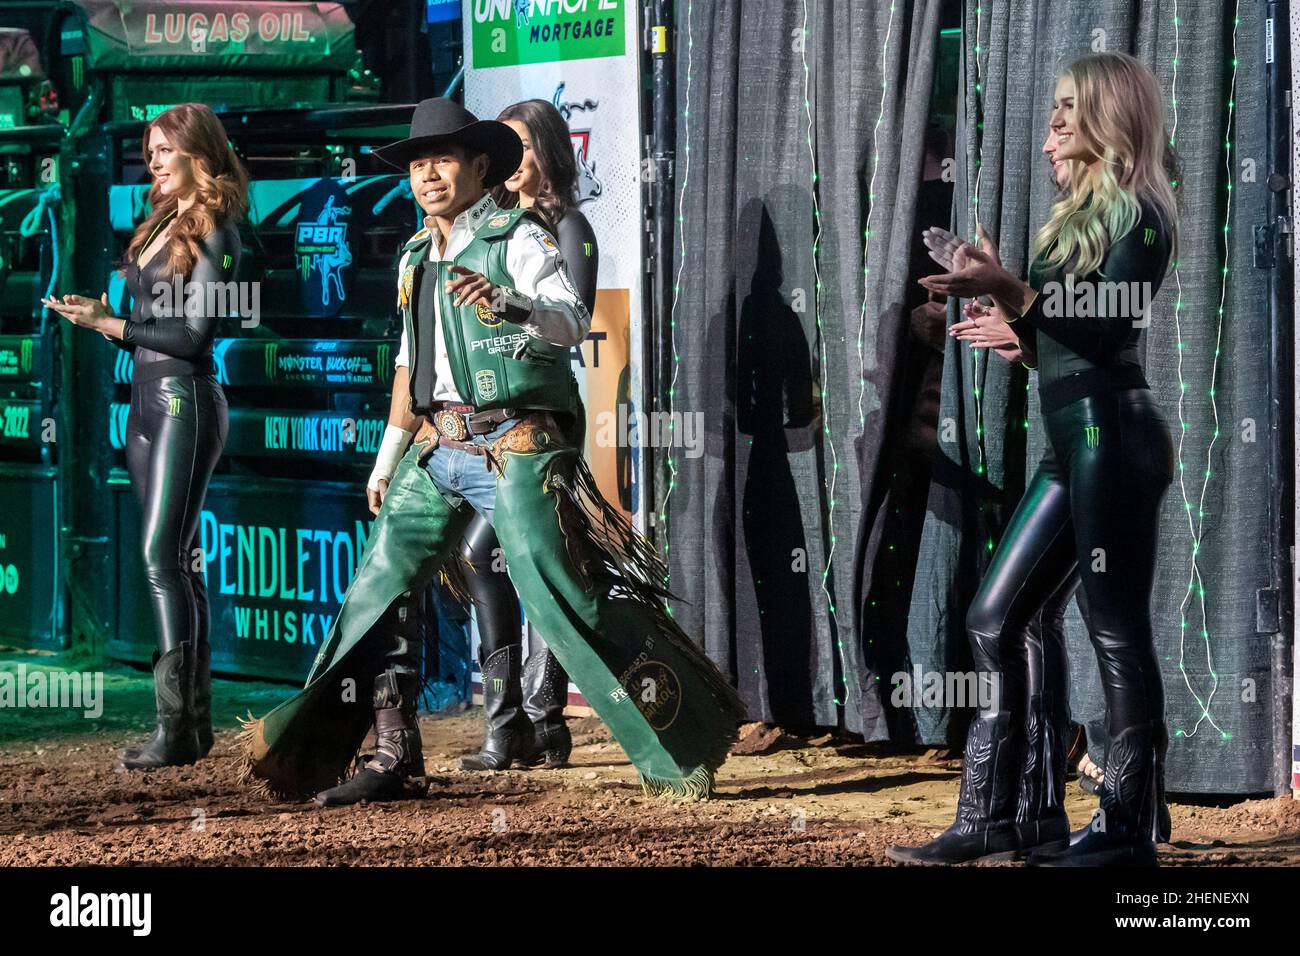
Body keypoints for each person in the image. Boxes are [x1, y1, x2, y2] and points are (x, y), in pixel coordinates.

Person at [238, 99, 744, 806]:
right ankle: (376, 756)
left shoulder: (519, 239)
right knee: (374, 593)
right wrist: (387, 461)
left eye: (442, 160)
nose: (428, 175)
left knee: (561, 592)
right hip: (436, 444)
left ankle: (682, 742)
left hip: (516, 444)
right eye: (418, 165)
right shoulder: (416, 256)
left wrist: (511, 306)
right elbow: (410, 369)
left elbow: (571, 323)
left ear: (480, 167)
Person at [887, 52, 1178, 867]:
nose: (1051, 127)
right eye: (1051, 110)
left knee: (1115, 631)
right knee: (996, 616)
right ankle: (1012, 816)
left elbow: (1106, 330)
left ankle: (1126, 828)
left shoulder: (1143, 214)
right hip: (1073, 439)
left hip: (1113, 440)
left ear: (1104, 117)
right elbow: (1069, 337)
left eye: (1065, 110)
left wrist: (1015, 294)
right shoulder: (1076, 215)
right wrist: (1022, 337)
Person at [46, 103, 246, 768]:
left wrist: (111, 327)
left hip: (186, 398)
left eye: (165, 150)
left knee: (164, 556)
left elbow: (193, 336)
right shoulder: (160, 223)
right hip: (143, 403)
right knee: (176, 561)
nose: (153, 161)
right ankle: (190, 726)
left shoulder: (218, 228)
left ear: (200, 154)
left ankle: (177, 727)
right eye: (150, 150)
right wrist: (101, 314)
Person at [453, 98, 601, 772]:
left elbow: (572, 321)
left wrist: (505, 308)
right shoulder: (487, 229)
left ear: (547, 152)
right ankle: (514, 719)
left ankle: (543, 719)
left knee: (530, 560)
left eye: (521, 147)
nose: (510, 164)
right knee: (485, 557)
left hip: (543, 421)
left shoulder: (569, 227)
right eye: (500, 151)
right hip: (493, 423)